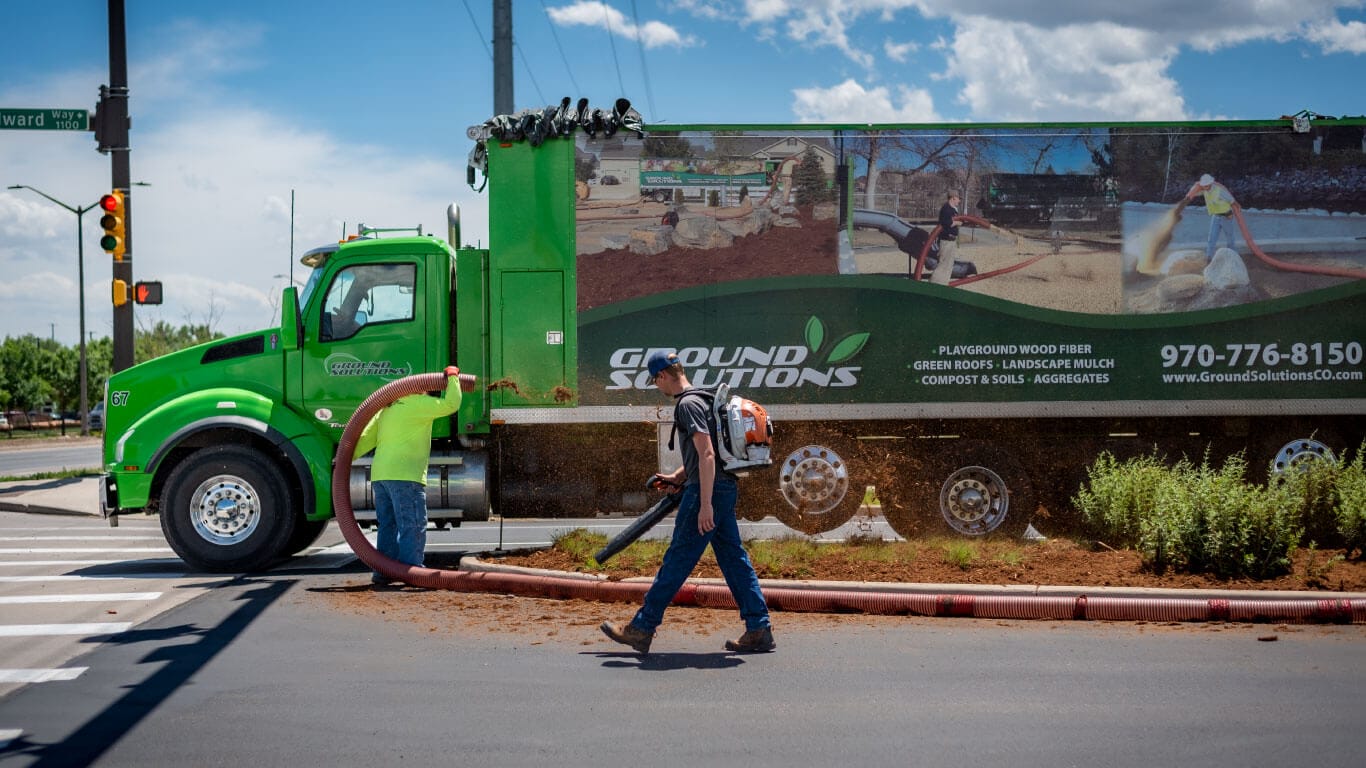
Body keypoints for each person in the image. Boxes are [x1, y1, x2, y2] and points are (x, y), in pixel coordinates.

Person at [600, 350, 774, 654]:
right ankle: (759, 628)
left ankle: (642, 627)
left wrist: (705, 504)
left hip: (708, 493)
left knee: (678, 559)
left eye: (655, 381)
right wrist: (677, 477)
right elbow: (708, 455)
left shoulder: (687, 405)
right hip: (723, 487)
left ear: (662, 376)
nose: (658, 387)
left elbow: (707, 454)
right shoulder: (704, 399)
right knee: (734, 560)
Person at [354, 366, 467, 585]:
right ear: (422, 387)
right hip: (405, 476)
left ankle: (384, 571)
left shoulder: (387, 408)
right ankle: (412, 572)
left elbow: (366, 438)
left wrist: (345, 458)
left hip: (381, 476)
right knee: (412, 524)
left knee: (388, 525)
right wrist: (453, 377)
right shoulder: (419, 403)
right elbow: (451, 404)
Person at [1184, 173, 1240, 260]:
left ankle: (1233, 257)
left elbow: (1231, 200)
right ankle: (1209, 257)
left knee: (1230, 238)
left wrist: (1237, 206)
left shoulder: (1219, 191)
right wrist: (1194, 188)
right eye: (1203, 186)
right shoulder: (1204, 190)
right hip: (1216, 217)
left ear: (1210, 183)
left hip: (1226, 216)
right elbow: (1195, 193)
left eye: (1206, 185)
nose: (1205, 187)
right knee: (1211, 238)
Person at [930, 192, 961, 285]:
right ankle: (933, 284)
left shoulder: (952, 210)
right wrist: (957, 223)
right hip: (946, 241)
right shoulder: (946, 209)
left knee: (948, 265)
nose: (959, 201)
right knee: (943, 264)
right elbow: (946, 223)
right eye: (958, 198)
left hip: (951, 241)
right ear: (953, 198)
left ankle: (943, 284)